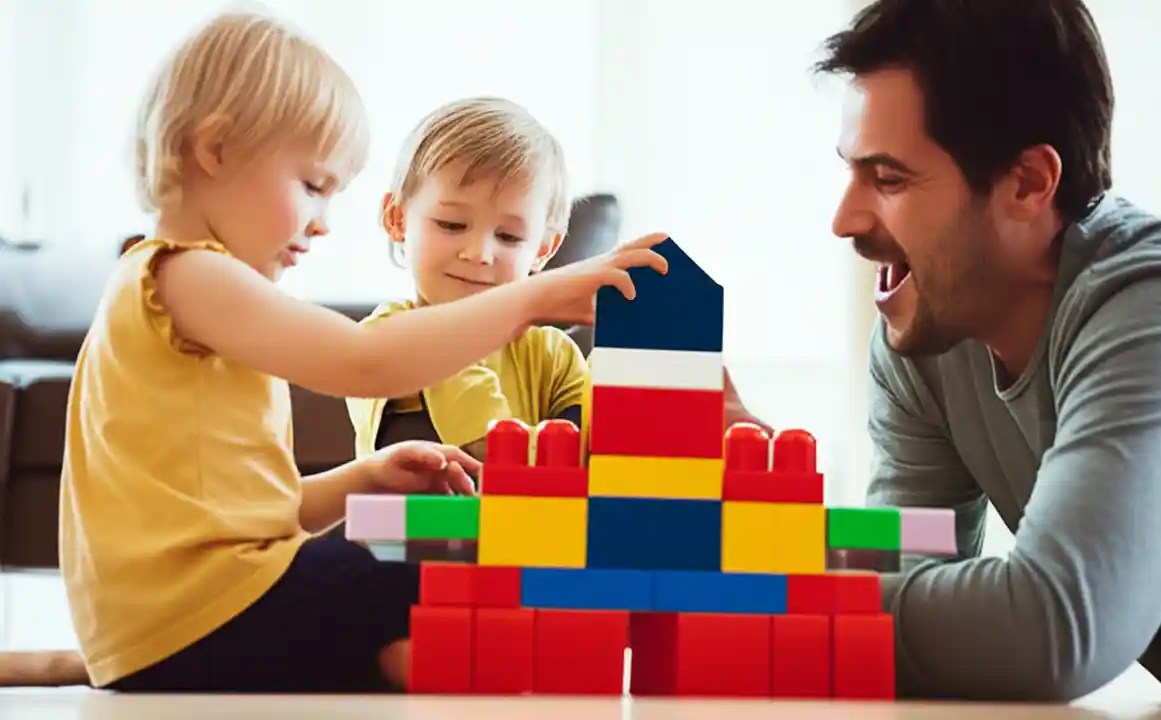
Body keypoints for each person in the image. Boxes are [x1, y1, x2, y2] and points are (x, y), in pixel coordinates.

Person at [8, 10, 668, 692]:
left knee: (395, 592)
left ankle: (414, 671)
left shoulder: (178, 292)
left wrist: (365, 479)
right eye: (313, 185)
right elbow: (367, 359)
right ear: (217, 149)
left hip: (184, 622)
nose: (322, 222)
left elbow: (247, 511)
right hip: (209, 614)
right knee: (435, 576)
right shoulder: (187, 274)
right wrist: (534, 298)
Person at [817, 0, 1161, 703]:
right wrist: (761, 524)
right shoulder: (931, 334)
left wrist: (764, 605)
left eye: (888, 179)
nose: (844, 219)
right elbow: (910, 559)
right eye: (852, 173)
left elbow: (1053, 630)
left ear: (1030, 182)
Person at [346, 97, 587, 468]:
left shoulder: (554, 356)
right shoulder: (388, 337)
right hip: (411, 527)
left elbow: (597, 456)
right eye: (452, 225)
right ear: (397, 219)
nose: (479, 253)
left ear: (542, 249)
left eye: (508, 237)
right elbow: (488, 444)